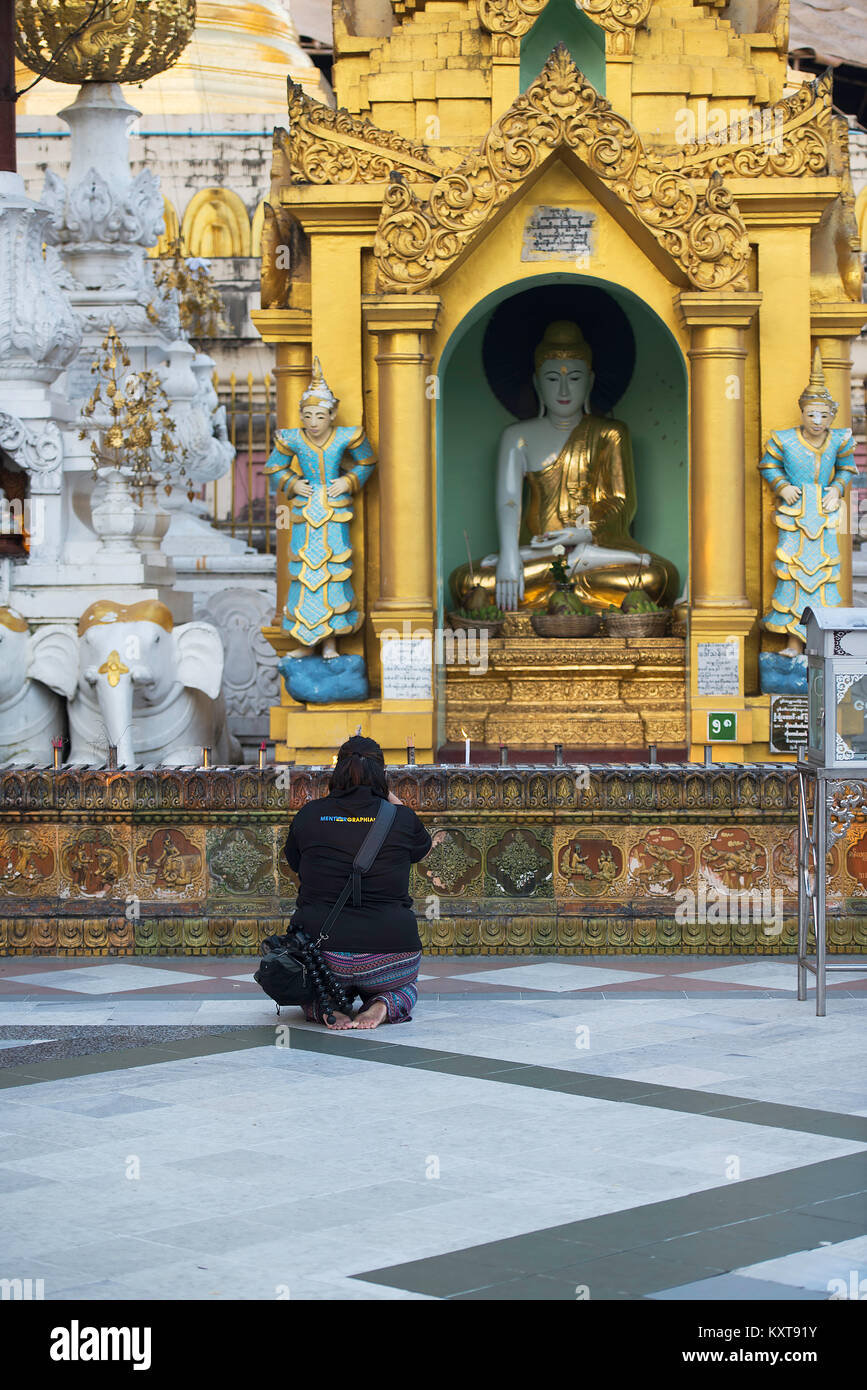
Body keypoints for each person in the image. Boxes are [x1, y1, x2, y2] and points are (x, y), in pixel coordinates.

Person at [284, 735, 432, 1030]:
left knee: (303, 983)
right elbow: (423, 849)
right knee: (408, 987)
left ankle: (323, 1006)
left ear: (336, 771)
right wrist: (391, 800)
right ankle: (383, 1003)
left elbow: (297, 866)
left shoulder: (309, 815)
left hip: (324, 957)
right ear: (382, 773)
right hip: (391, 954)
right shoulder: (401, 818)